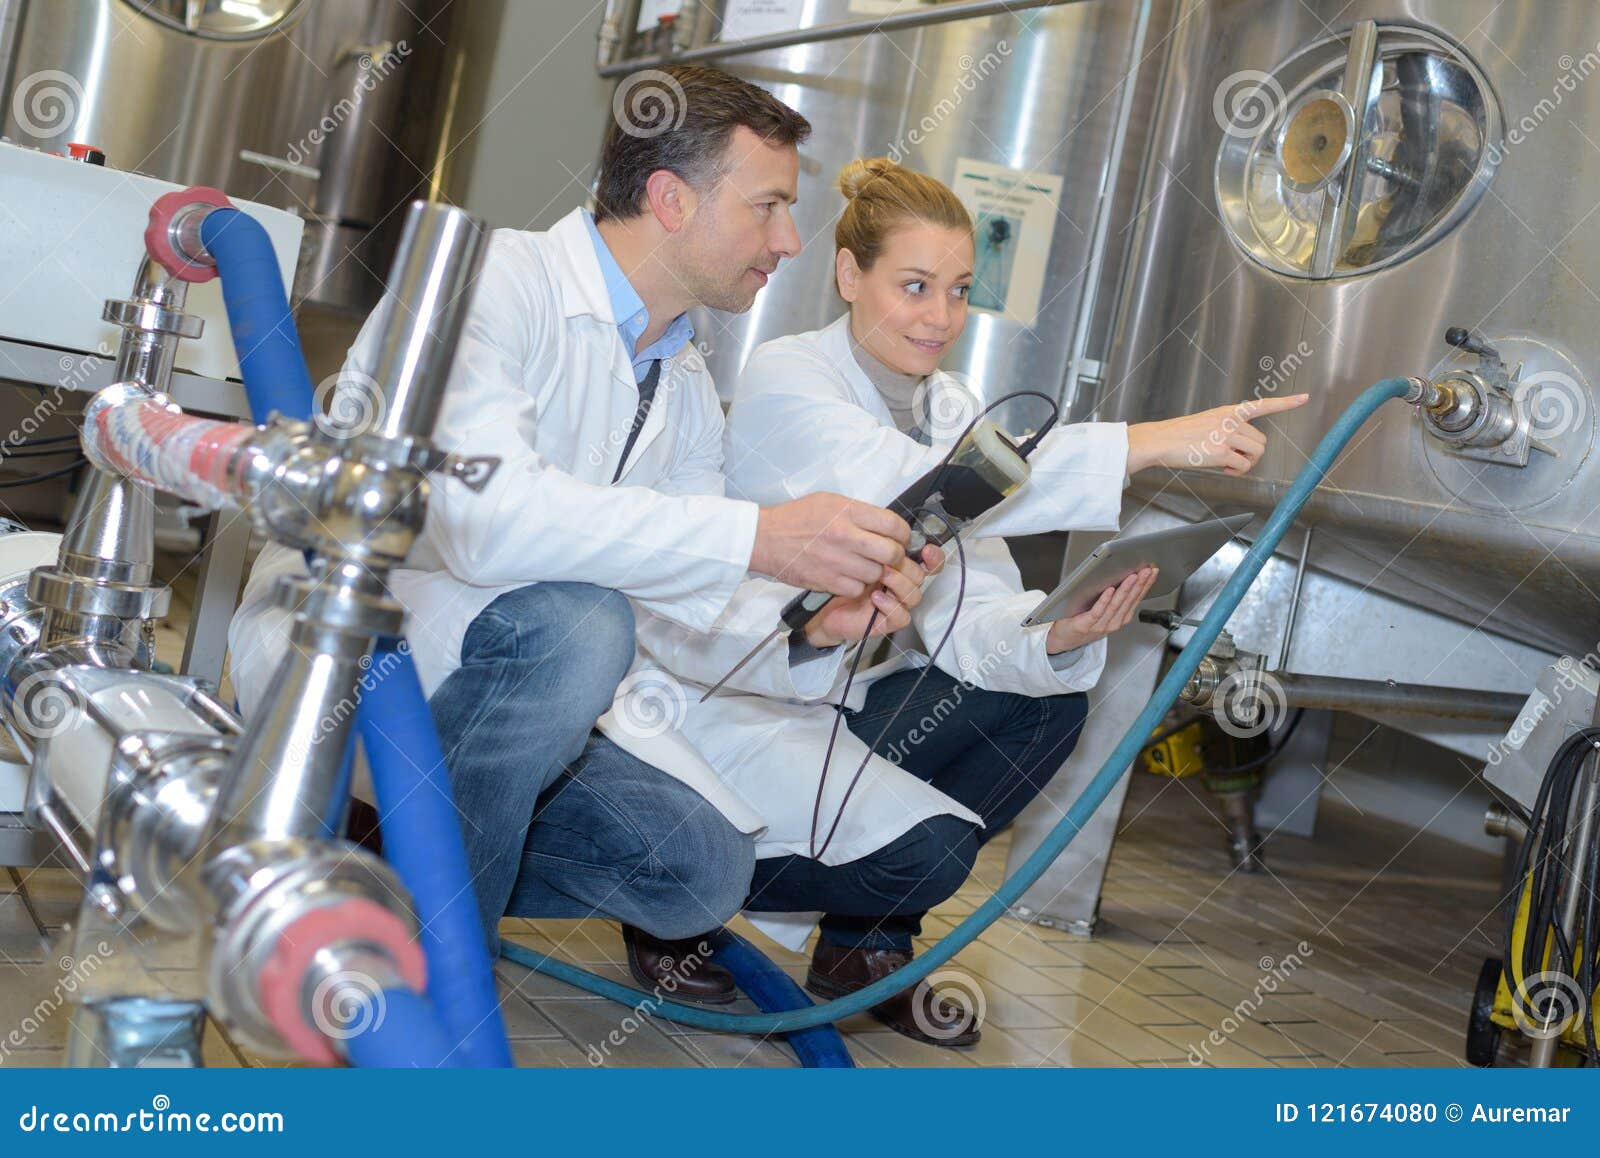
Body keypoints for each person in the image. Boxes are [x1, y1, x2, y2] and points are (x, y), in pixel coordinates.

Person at [226, 69, 928, 1006]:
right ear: (672, 199)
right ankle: (432, 987)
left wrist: (811, 628)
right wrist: (757, 536)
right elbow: (484, 522)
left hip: (517, 691)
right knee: (579, 626)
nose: (789, 241)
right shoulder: (489, 284)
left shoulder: (683, 378)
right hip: (355, 646)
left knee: (699, 872)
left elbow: (679, 598)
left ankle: (397, 860)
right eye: (768, 207)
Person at [648, 157, 1308, 1044]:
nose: (940, 317)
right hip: (735, 700)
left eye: (959, 291)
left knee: (1043, 704)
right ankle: (669, 906)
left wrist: (1053, 636)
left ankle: (862, 950)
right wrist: (1156, 441)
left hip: (836, 706)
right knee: (885, 839)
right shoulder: (787, 376)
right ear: (848, 275)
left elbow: (972, 599)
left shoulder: (949, 405)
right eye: (914, 286)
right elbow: (931, 489)